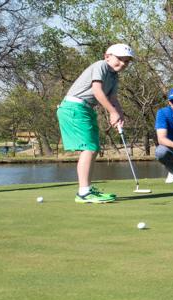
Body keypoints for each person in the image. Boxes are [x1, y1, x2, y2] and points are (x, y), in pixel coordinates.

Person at [57, 43, 135, 204]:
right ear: (107, 56)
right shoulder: (101, 65)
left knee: (93, 148)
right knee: (89, 148)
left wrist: (119, 114)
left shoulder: (114, 76)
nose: (123, 63)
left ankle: (86, 189)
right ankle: (84, 193)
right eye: (119, 59)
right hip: (74, 107)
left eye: (126, 61)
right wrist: (112, 112)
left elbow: (113, 99)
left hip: (85, 109)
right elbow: (97, 91)